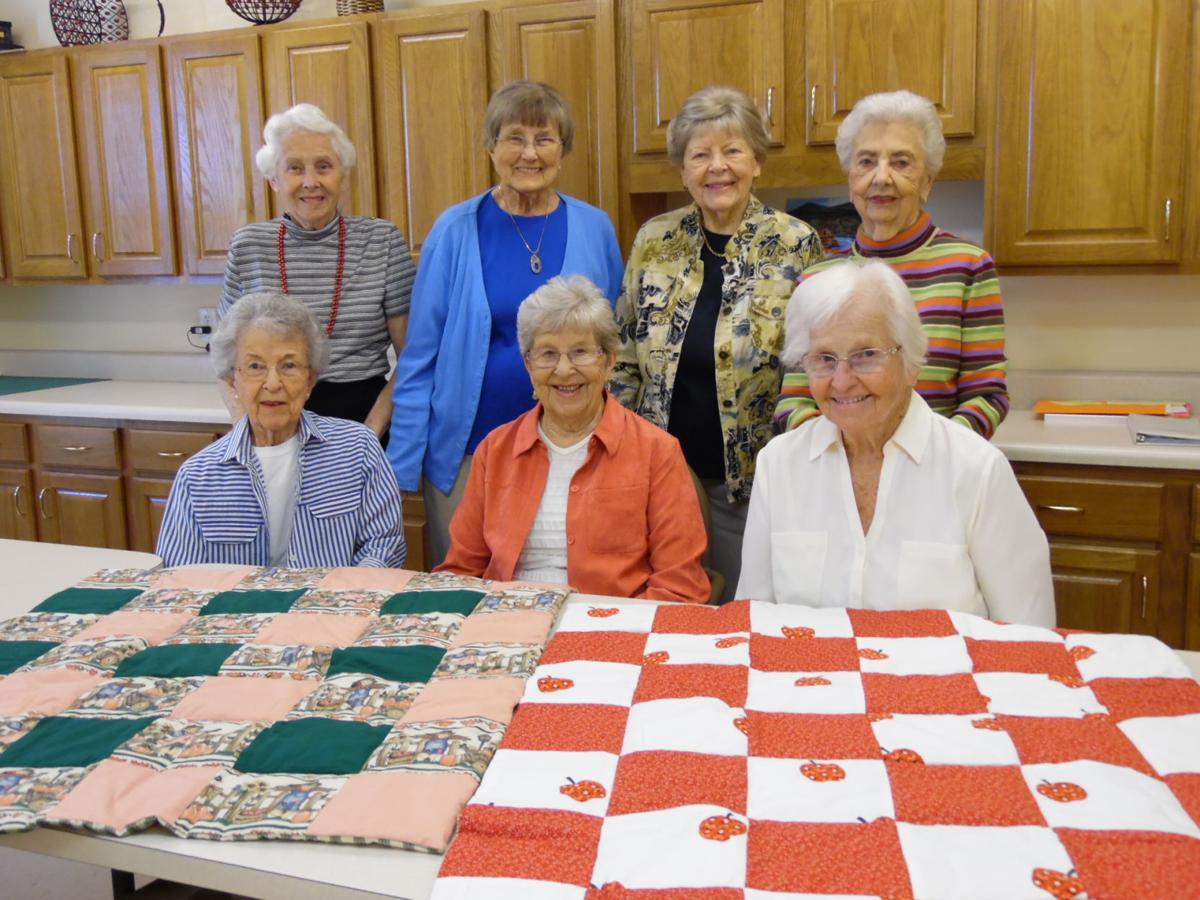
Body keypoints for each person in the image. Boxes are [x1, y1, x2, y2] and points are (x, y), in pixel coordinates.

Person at [738, 260, 1053, 627]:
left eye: (866, 355)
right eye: (824, 359)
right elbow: (755, 619)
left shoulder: (977, 470)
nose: (841, 381)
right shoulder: (779, 466)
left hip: (944, 682)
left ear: (912, 361)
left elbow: (1030, 634)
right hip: (811, 681)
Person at [388, 81, 623, 567]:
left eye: (545, 138)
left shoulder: (595, 227)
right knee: (468, 594)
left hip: (575, 452)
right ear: (492, 146)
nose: (530, 154)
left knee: (568, 584)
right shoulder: (454, 230)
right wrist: (402, 469)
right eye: (515, 137)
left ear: (564, 148)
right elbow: (419, 358)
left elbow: (615, 346)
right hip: (470, 455)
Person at [610, 85, 821, 601]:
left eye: (732, 150)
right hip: (659, 480)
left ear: (757, 161)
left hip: (751, 486)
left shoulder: (795, 244)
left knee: (741, 616)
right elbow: (624, 355)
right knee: (665, 613)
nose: (716, 167)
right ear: (682, 170)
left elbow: (812, 362)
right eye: (699, 154)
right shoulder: (654, 239)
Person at [438, 276, 709, 603]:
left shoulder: (658, 453)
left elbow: (679, 588)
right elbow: (463, 572)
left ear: (609, 361)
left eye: (580, 352)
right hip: (509, 626)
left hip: (610, 632)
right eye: (547, 354)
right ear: (528, 364)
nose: (564, 370)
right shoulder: (494, 451)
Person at [775, 89, 1009, 438]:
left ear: (928, 181)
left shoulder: (968, 267)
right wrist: (839, 456)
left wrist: (934, 455)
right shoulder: (816, 278)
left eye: (901, 162)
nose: (881, 178)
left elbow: (987, 395)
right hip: (836, 473)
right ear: (851, 178)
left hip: (934, 473)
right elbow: (794, 398)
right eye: (866, 161)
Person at [157, 292, 406, 569]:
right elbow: (178, 580)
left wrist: (342, 600)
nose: (273, 383)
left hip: (336, 607)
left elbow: (384, 546)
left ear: (310, 380)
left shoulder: (359, 450)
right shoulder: (197, 478)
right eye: (255, 366)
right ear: (232, 379)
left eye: (288, 365)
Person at [221, 103, 415, 436]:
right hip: (270, 421)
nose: (311, 182)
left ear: (343, 174)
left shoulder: (382, 241)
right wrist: (246, 426)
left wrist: (370, 432)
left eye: (324, 166)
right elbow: (223, 358)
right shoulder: (248, 246)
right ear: (274, 179)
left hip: (364, 420)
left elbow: (413, 355)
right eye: (295, 168)